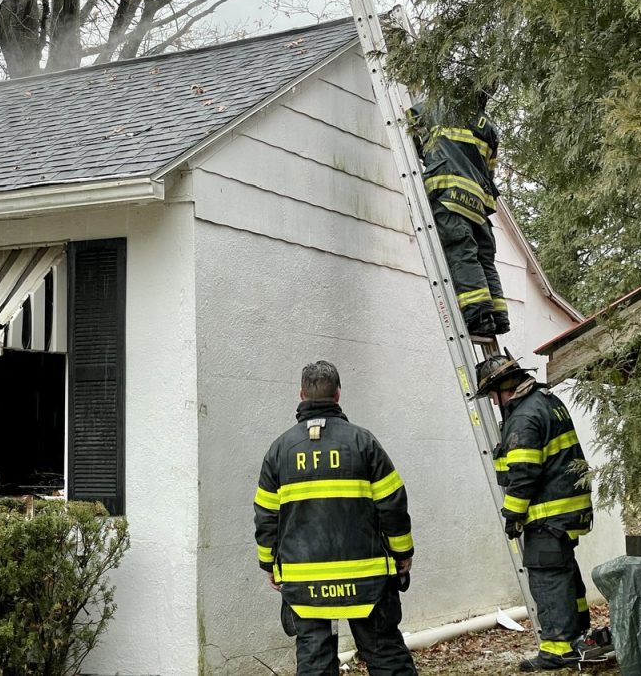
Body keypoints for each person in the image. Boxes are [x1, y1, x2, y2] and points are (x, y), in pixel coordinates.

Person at [254, 361, 417, 675]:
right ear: (338, 394)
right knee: (385, 654)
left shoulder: (280, 450)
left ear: (301, 394)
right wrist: (402, 554)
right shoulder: (363, 442)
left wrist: (269, 564)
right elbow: (393, 505)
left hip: (305, 582)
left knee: (315, 662)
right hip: (366, 578)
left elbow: (266, 516)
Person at [476, 351, 594, 672]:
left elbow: (525, 472)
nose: (494, 402)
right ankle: (578, 636)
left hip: (547, 513)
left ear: (504, 388)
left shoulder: (524, 416)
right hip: (568, 508)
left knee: (547, 578)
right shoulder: (548, 401)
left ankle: (558, 650)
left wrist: (513, 516)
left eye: (492, 396)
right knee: (564, 572)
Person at [407, 90, 509, 337]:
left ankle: (479, 316)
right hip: (479, 203)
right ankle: (498, 316)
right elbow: (489, 172)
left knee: (461, 252)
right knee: (483, 259)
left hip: (450, 192)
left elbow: (408, 126)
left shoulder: (436, 106)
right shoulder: (489, 128)